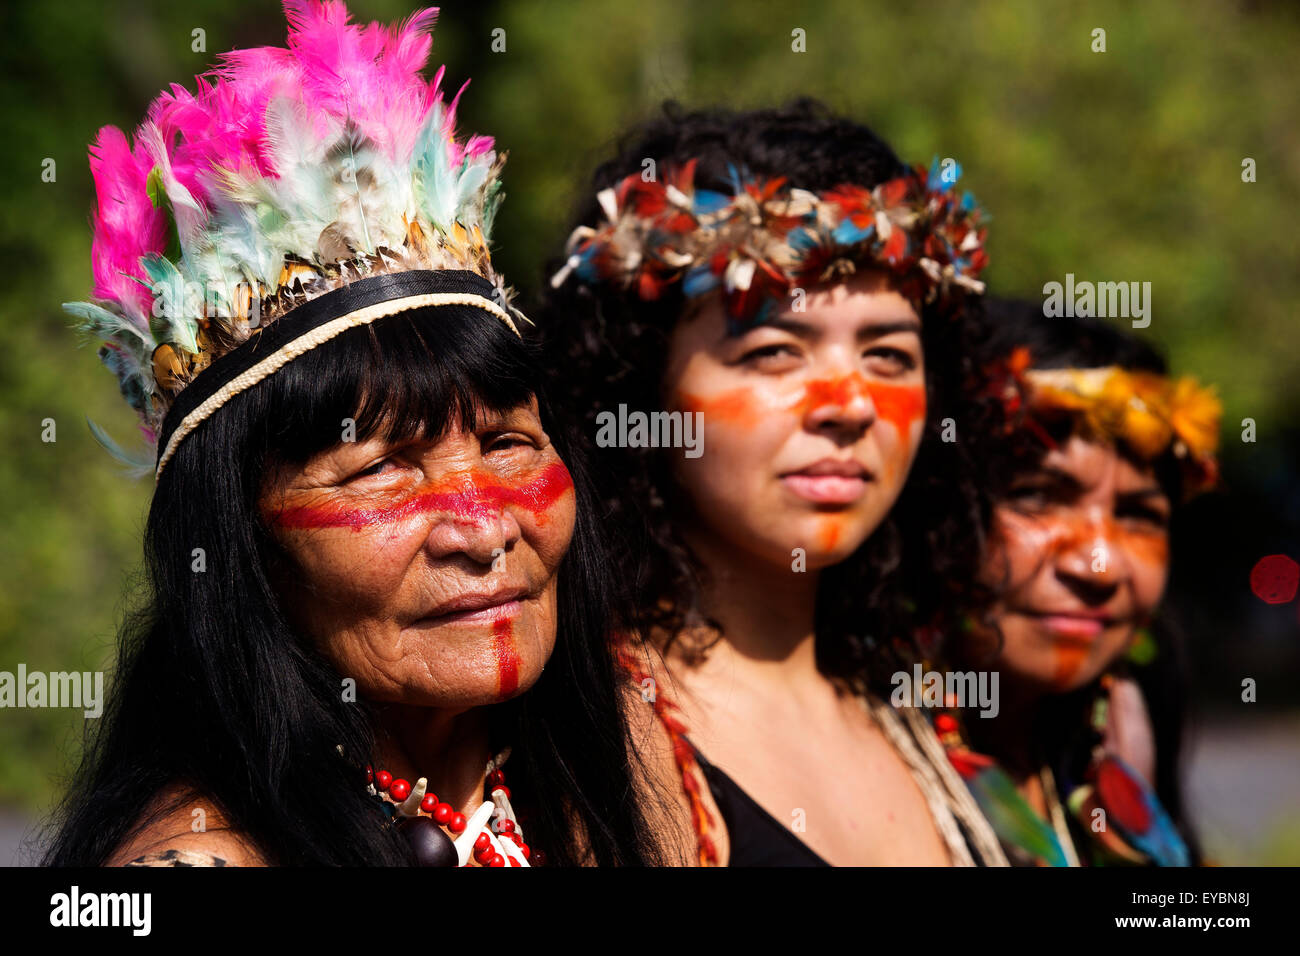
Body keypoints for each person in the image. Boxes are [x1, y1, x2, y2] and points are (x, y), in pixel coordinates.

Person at [42, 1, 661, 867]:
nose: (484, 530)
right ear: (239, 544)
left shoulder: (584, 783)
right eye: (381, 469)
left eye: (507, 444)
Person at [543, 99, 1005, 865]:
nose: (849, 405)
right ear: (639, 386)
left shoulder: (927, 715)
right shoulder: (566, 731)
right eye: (773, 352)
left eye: (887, 355)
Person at [922, 299, 1218, 866]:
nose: (1099, 565)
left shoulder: (1122, 756)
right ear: (935, 513)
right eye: (1038, 497)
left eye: (1138, 515)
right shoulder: (844, 768)